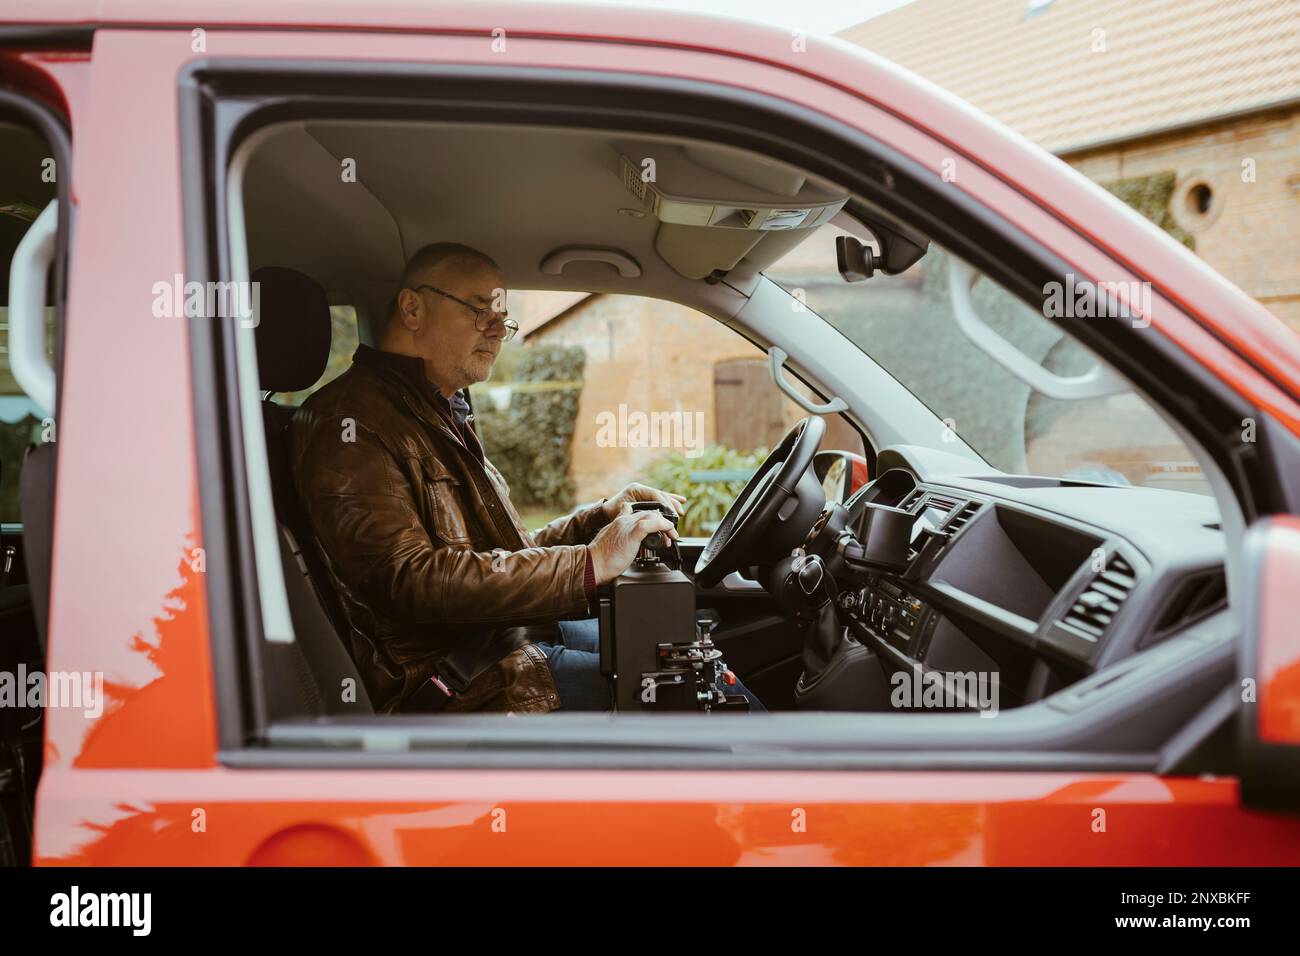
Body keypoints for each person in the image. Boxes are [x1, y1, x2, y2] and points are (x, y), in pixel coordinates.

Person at [291, 242, 764, 714]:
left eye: (504, 319)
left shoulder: (433, 411)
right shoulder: (348, 423)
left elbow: (495, 554)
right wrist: (588, 562)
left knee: (688, 657)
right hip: (450, 681)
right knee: (699, 698)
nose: (499, 332)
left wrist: (597, 521)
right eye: (481, 312)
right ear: (413, 308)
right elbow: (407, 580)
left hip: (494, 640)